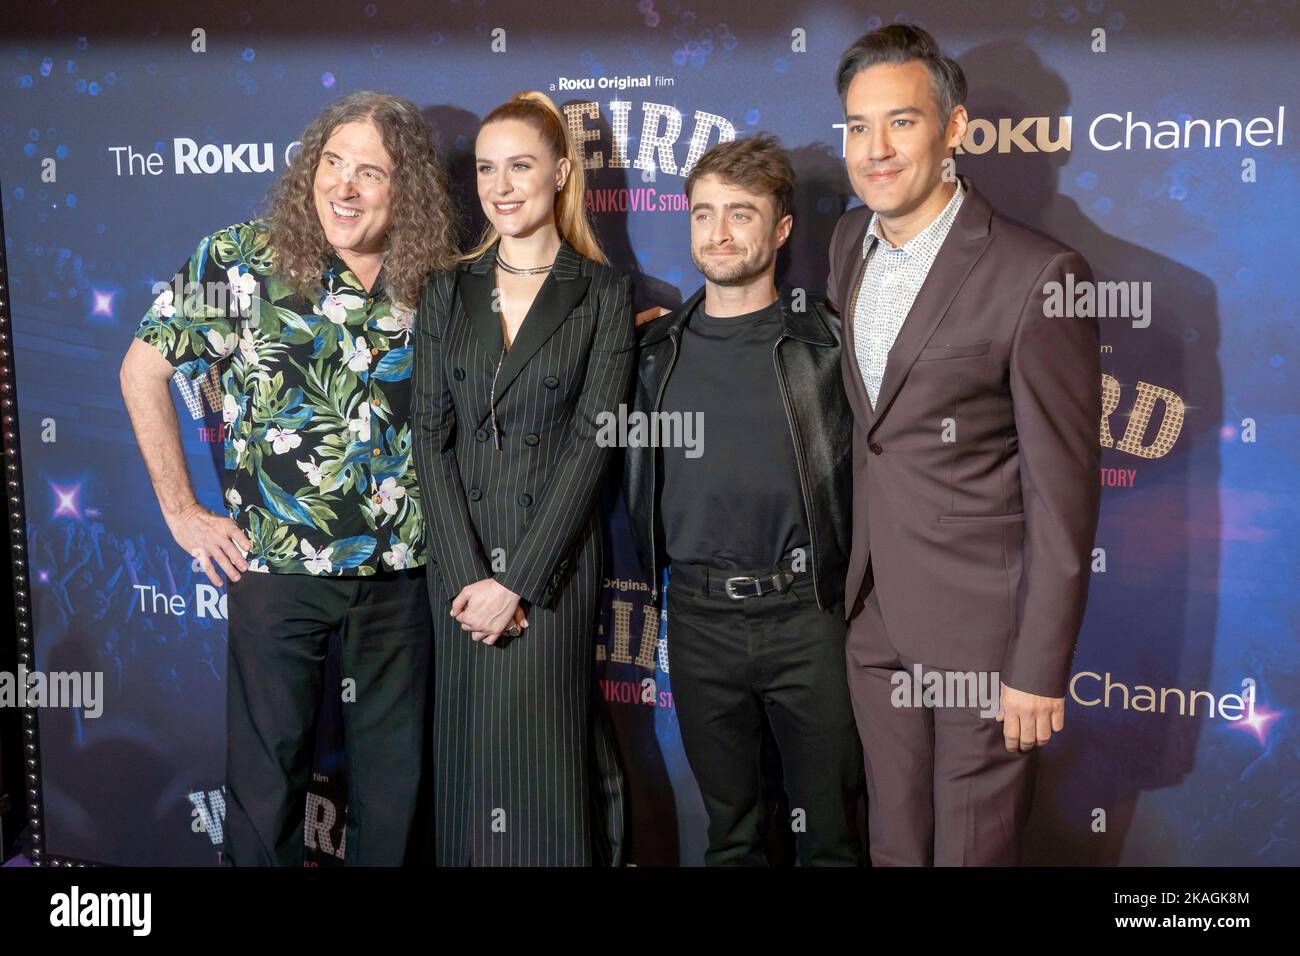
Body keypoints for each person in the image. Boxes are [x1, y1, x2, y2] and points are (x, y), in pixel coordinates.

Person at [120, 91, 459, 865]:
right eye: (331, 164)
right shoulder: (239, 259)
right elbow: (142, 371)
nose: (342, 186)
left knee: (397, 795)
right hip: (275, 566)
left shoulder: (435, 279)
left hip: (403, 576)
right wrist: (182, 510)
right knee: (266, 787)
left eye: (368, 173)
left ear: (404, 189)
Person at [826, 24, 1101, 865]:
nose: (875, 150)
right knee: (895, 845)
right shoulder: (846, 245)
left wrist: (1039, 666)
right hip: (873, 620)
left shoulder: (1037, 275)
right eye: (858, 127)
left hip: (985, 640)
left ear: (952, 130)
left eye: (901, 123)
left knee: (973, 853)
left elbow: (1065, 493)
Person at [625, 134, 863, 866]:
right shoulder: (651, 353)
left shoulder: (828, 345)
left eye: (740, 214)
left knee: (832, 837)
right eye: (703, 214)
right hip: (697, 620)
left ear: (781, 229)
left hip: (809, 620)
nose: (718, 233)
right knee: (731, 838)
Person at [412, 91, 633, 866]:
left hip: (553, 577)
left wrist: (520, 583)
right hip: (460, 576)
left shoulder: (602, 294)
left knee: (544, 773)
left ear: (562, 173)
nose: (501, 186)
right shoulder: (445, 290)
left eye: (521, 166)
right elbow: (429, 441)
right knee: (467, 767)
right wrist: (471, 574)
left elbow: (591, 448)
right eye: (485, 169)